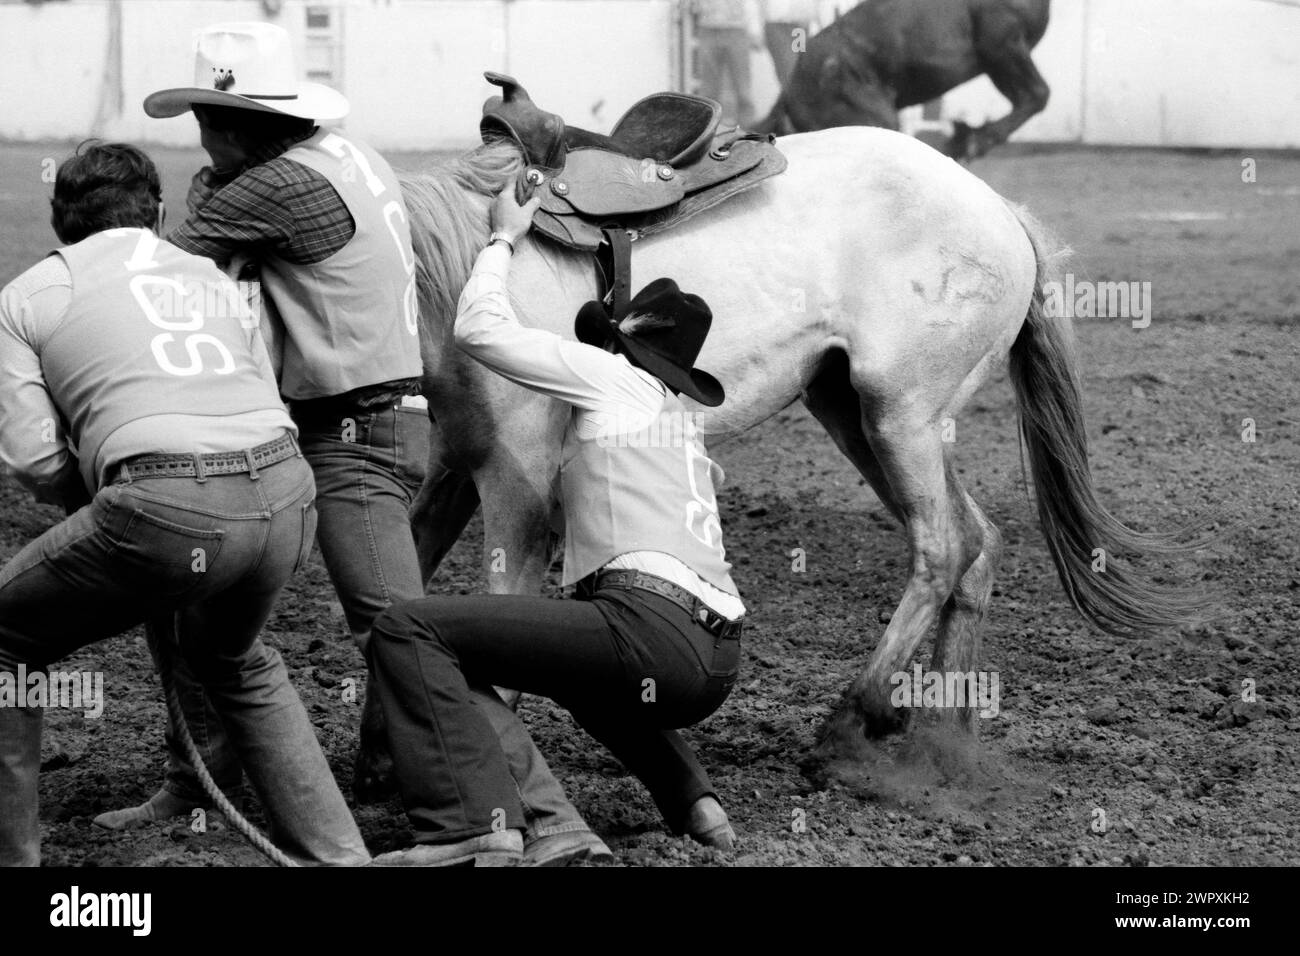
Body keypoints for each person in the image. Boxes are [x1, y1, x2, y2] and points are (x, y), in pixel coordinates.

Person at [99, 21, 605, 867]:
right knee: (217, 620)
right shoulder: (350, 159)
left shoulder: (273, 190)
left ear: (235, 125)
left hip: (349, 437)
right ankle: (197, 779)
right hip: (367, 426)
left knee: (404, 635)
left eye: (207, 122)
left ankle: (542, 817)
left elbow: (169, 263)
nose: (201, 138)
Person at [0, 141, 369, 867]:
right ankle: (343, 857)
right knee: (234, 658)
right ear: (160, 214)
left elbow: (35, 458)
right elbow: (262, 395)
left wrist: (129, 516)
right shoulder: (209, 275)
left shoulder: (26, 295)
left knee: (7, 643)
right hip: (289, 496)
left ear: (59, 221)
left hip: (166, 504)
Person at [368, 187, 745, 866]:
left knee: (410, 630)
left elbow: (480, 330)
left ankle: (481, 824)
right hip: (714, 658)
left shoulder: (609, 378)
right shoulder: (676, 427)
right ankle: (695, 801)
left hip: (652, 633)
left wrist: (503, 239)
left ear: (620, 345)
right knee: (574, 667)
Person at [694, 0, 764, 127]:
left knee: (743, 91)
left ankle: (748, 135)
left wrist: (755, 31)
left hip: (737, 30)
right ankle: (706, 136)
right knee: (708, 92)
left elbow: (751, 3)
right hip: (708, 28)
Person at [759, 0, 821, 86]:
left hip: (799, 28)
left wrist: (811, 14)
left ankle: (798, 97)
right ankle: (793, 97)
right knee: (788, 68)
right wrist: (755, 29)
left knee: (800, 67)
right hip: (777, 26)